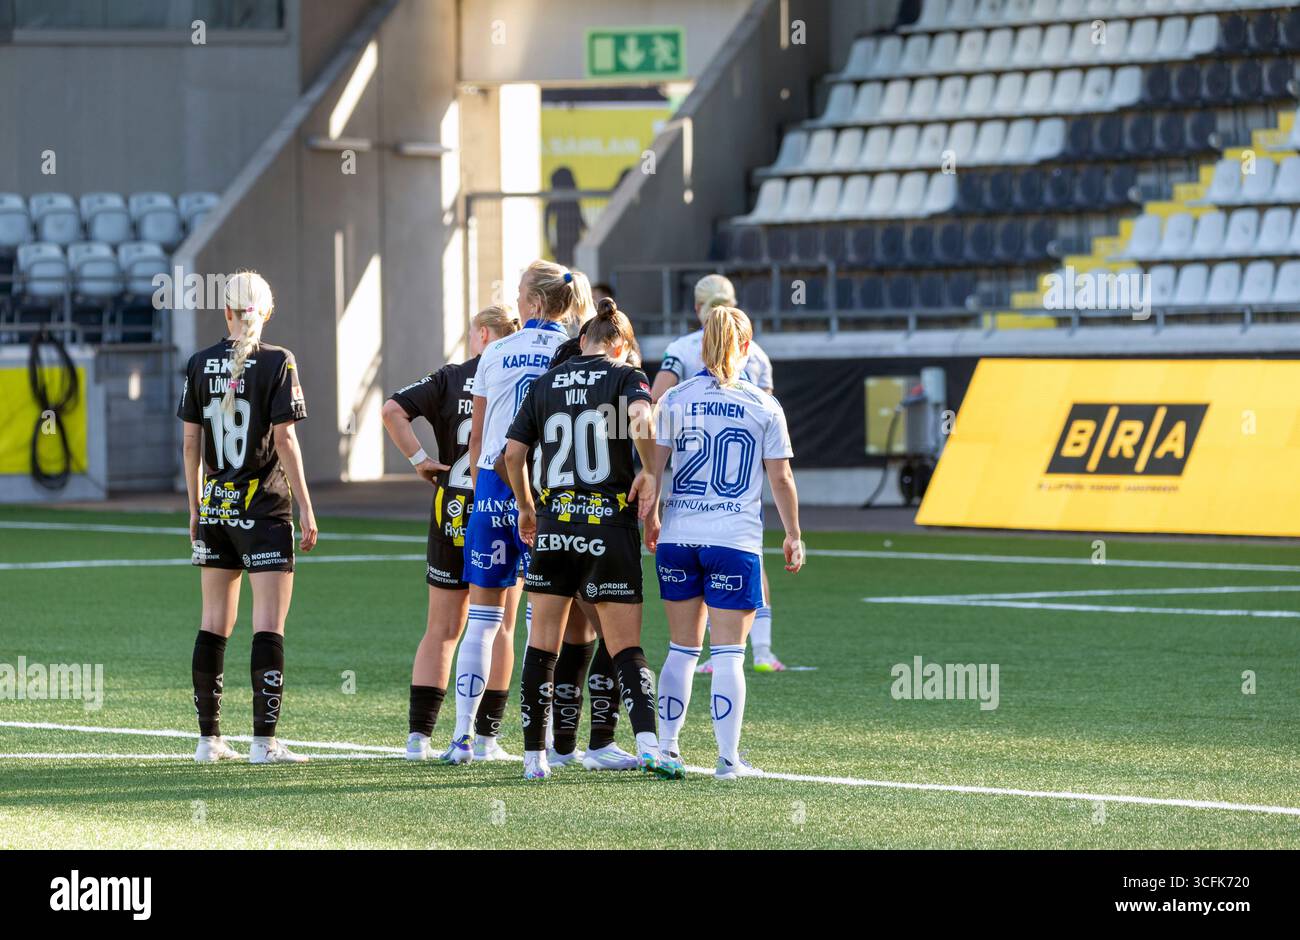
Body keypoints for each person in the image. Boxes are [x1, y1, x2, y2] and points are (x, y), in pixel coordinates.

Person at [502, 298, 684, 781]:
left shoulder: (545, 382)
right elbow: (644, 422)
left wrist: (525, 505)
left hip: (556, 523)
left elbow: (512, 453)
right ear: (621, 345)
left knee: (542, 646)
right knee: (626, 647)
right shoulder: (626, 377)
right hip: (609, 526)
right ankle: (649, 746)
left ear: (581, 340)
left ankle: (533, 759)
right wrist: (649, 472)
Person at [645, 305, 804, 779]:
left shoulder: (673, 400)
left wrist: (651, 519)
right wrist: (793, 534)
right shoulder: (763, 404)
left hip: (679, 536)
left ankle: (669, 748)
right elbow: (782, 477)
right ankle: (728, 759)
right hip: (733, 540)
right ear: (746, 346)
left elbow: (653, 471)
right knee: (730, 652)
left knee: (681, 649)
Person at [443, 260, 589, 764]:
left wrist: (486, 487)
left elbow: (480, 436)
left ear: (529, 302)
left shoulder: (496, 350)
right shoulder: (571, 353)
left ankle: (464, 737)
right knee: (539, 624)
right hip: (545, 491)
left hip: (490, 486)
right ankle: (537, 740)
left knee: (481, 619)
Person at [179, 270, 316, 765]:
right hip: (263, 508)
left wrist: (194, 507)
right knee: (268, 625)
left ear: (227, 313)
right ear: (267, 312)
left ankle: (208, 740)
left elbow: (191, 443)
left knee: (213, 622)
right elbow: (285, 439)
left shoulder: (198, 363)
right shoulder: (279, 361)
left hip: (216, 507)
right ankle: (264, 743)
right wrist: (305, 504)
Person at [382, 305, 525, 762]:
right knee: (499, 626)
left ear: (482, 333)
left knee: (442, 629)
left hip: (452, 510)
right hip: (501, 509)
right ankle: (485, 739)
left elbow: (392, 410)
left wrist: (419, 459)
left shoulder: (449, 377)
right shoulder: (519, 378)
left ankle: (418, 739)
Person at [651, 274, 784, 673]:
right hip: (738, 489)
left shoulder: (682, 349)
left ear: (696, 308)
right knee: (749, 558)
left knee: (684, 637)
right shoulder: (755, 353)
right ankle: (760, 649)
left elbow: (655, 397)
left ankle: (711, 652)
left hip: (688, 499)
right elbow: (768, 417)